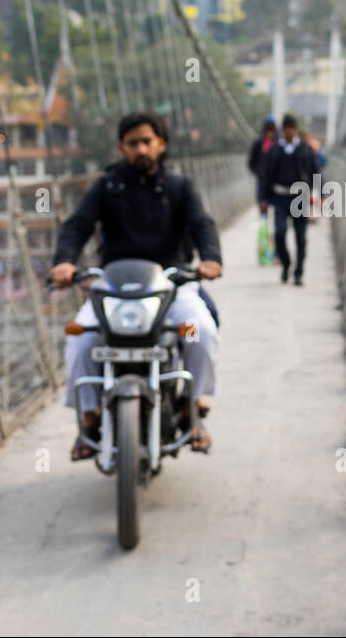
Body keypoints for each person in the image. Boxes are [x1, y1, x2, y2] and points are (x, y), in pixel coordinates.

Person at [51, 113, 222, 456]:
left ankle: (191, 407)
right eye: (133, 143)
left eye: (147, 141)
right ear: (121, 147)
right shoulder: (106, 187)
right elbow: (77, 226)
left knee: (199, 331)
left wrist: (210, 259)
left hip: (172, 288)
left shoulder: (179, 187)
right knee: (79, 337)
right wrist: (64, 263)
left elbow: (202, 224)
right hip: (113, 289)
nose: (141, 148)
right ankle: (88, 417)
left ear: (161, 145)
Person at [258, 114, 317, 286]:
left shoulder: (306, 149)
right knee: (280, 232)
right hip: (280, 198)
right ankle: (286, 264)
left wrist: (321, 194)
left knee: (301, 237)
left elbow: (315, 171)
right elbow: (265, 175)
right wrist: (263, 198)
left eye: (292, 128)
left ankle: (298, 273)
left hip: (300, 197)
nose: (289, 132)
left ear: (295, 130)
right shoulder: (275, 150)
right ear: (283, 131)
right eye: (286, 129)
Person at [246, 115, 278, 200]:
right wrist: (260, 172)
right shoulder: (258, 143)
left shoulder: (280, 143)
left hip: (277, 181)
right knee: (263, 203)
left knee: (278, 205)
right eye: (268, 128)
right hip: (263, 180)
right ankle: (263, 213)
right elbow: (252, 162)